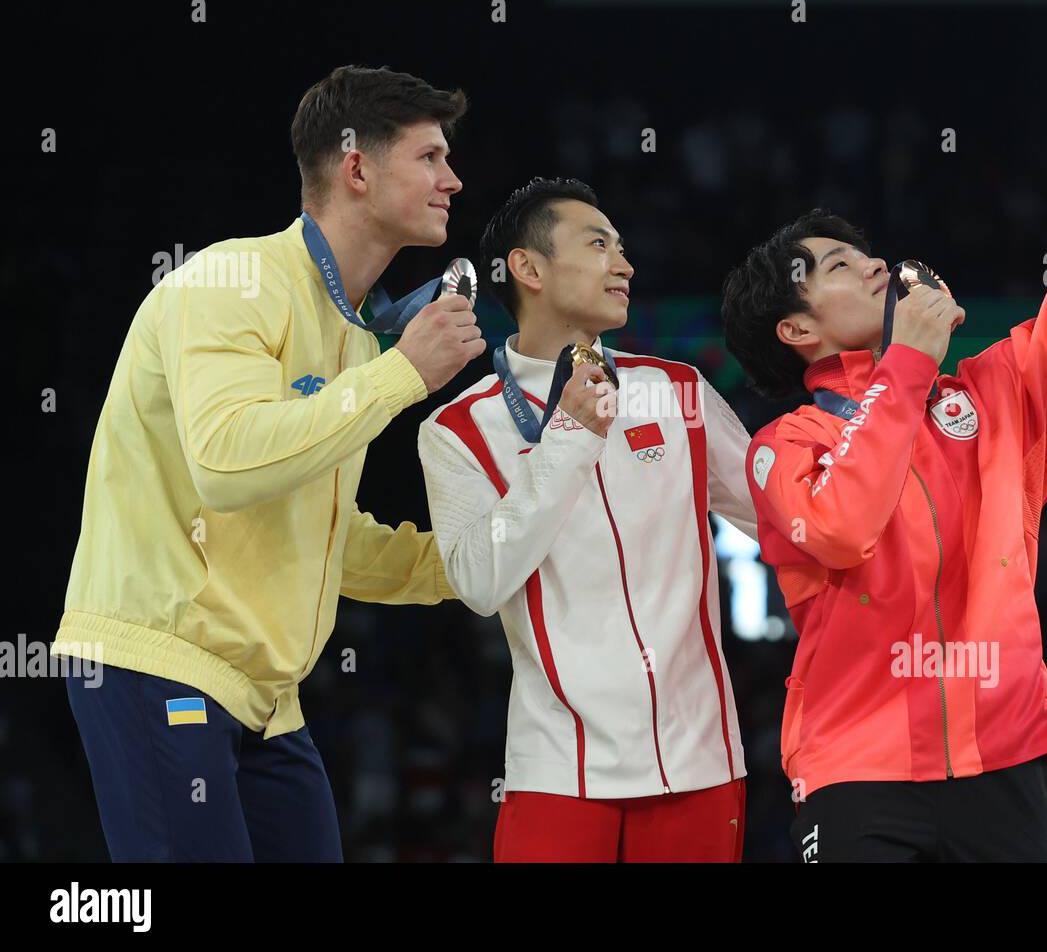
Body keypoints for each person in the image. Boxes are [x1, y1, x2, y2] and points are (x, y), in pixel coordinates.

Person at [719, 6, 1047, 862]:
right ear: (796, 332)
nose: (875, 263)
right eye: (837, 266)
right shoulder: (783, 448)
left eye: (864, 251)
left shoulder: (998, 396)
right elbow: (840, 528)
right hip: (857, 778)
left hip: (1006, 767)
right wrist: (907, 363)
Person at [52, 65, 486, 862]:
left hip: (266, 699)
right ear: (356, 166)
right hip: (162, 661)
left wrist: (476, 564)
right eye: (429, 157)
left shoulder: (353, 335)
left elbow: (325, 535)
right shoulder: (233, 280)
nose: (452, 180)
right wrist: (402, 376)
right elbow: (225, 461)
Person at [418, 177, 756, 862]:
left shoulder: (677, 391)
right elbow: (481, 582)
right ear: (529, 268)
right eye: (599, 245)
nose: (624, 265)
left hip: (701, 768)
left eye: (623, 249)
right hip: (557, 776)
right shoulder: (457, 429)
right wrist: (568, 435)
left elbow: (790, 522)